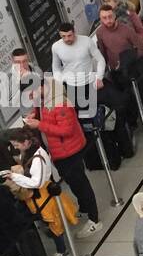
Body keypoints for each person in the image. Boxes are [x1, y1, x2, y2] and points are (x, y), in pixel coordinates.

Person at [24, 80, 102, 234]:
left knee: (81, 184)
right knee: (73, 183)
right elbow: (44, 115)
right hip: (59, 152)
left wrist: (39, 125)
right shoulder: (43, 101)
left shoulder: (60, 104)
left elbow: (66, 130)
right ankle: (84, 208)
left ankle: (95, 219)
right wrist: (35, 114)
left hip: (70, 152)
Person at [2, 128, 70, 256]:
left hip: (43, 194)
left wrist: (13, 176)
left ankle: (62, 251)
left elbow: (36, 183)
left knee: (52, 221)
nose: (15, 148)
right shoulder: (30, 151)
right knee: (50, 221)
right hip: (40, 194)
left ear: (26, 142)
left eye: (16, 145)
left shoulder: (37, 157)